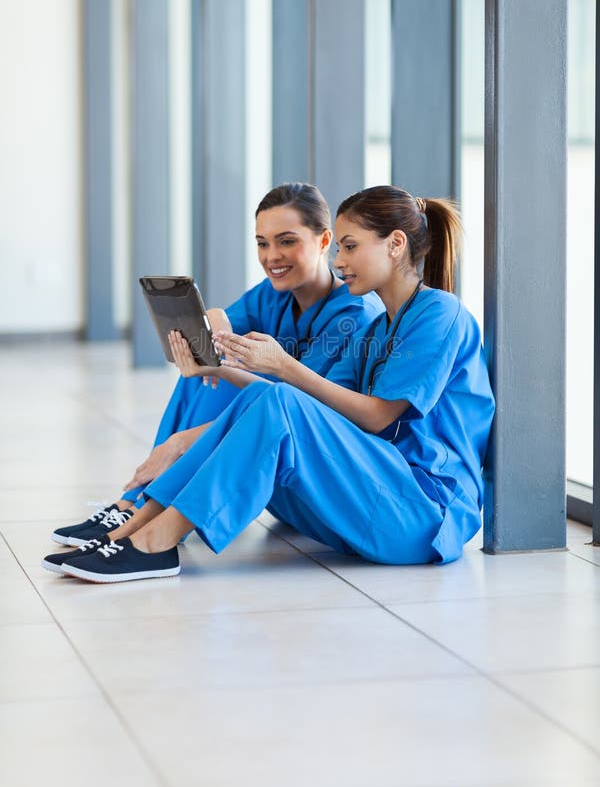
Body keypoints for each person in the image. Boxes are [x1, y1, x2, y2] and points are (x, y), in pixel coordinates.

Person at [44, 185, 495, 582]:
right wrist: (217, 372)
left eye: (350, 247)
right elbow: (311, 405)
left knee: (280, 398)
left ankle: (153, 543)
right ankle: (136, 523)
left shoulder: (440, 314)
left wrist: (283, 367)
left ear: (395, 245)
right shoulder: (378, 331)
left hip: (421, 512)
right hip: (369, 496)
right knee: (261, 394)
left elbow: (377, 417)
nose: (339, 262)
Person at [48, 183, 383, 551]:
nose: (272, 256)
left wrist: (182, 442)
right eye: (262, 243)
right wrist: (212, 324)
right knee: (205, 365)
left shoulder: (353, 315)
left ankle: (152, 504)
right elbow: (222, 323)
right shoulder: (273, 294)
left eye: (286, 241)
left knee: (244, 380)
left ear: (323, 241)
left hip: (310, 472)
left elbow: (297, 410)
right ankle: (136, 503)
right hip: (276, 475)